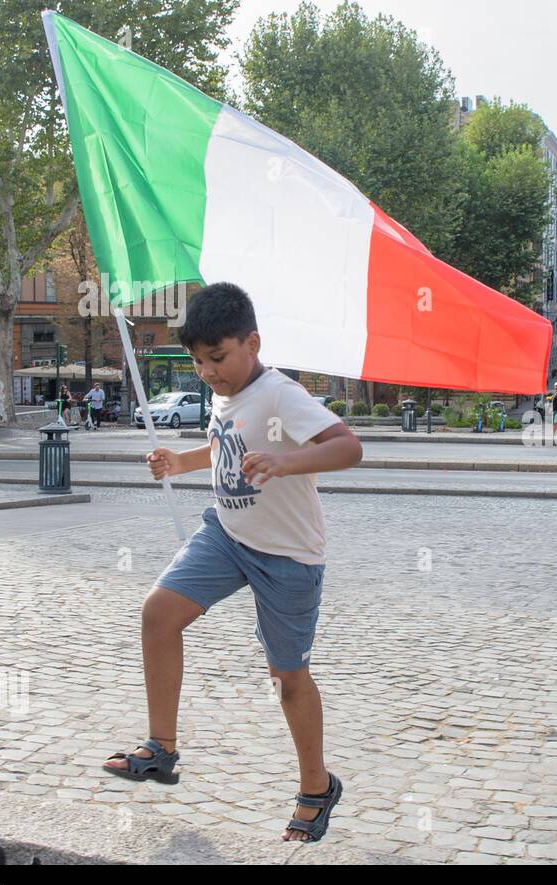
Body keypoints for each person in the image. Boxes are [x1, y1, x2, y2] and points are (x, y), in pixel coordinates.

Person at [102, 282, 363, 843]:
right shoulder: (225, 393)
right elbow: (226, 446)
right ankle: (161, 750)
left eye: (217, 359)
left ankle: (317, 787)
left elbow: (348, 446)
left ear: (252, 343)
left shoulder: (279, 393)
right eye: (198, 362)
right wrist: (182, 460)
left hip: (288, 556)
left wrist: (287, 462)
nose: (209, 373)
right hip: (226, 532)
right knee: (158, 614)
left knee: (287, 678)